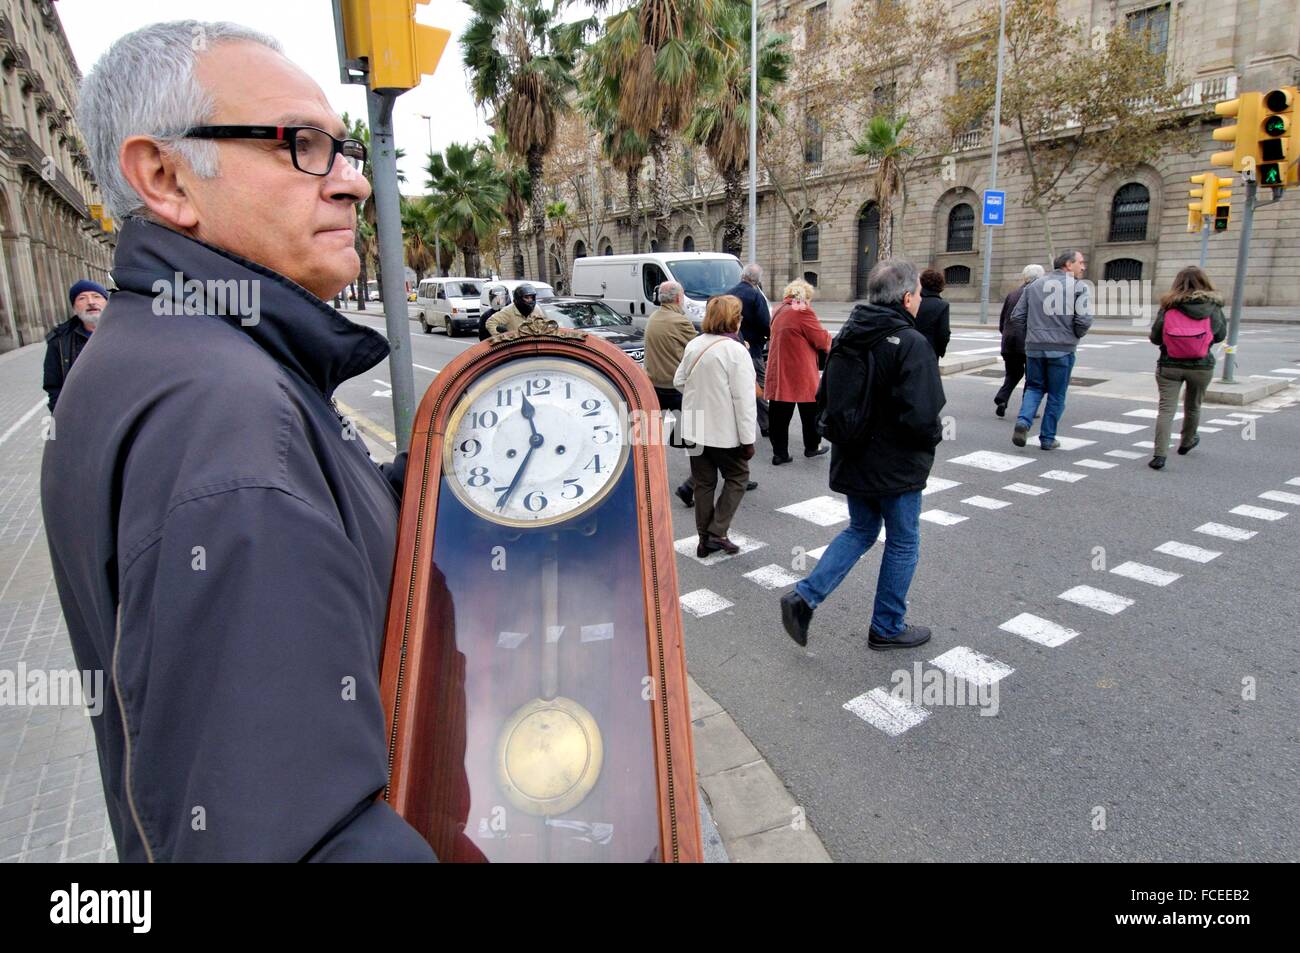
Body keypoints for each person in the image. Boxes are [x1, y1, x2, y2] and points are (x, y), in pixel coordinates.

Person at [41, 21, 434, 862]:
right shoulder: (224, 412)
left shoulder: (171, 354)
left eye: (346, 149)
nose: (354, 185)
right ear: (165, 177)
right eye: (303, 145)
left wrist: (452, 478)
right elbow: (293, 833)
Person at [780, 259, 945, 651]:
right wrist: (930, 441)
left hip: (853, 454)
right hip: (896, 464)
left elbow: (826, 397)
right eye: (919, 294)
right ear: (907, 298)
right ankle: (887, 626)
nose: (920, 301)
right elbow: (922, 415)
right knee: (903, 541)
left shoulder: (849, 335)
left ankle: (804, 596)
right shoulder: (911, 343)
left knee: (861, 529)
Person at [673, 295, 756, 557]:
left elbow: (679, 380)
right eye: (739, 315)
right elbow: (743, 400)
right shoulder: (736, 351)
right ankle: (717, 532)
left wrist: (701, 394)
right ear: (733, 319)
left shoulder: (695, 344)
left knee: (703, 483)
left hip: (694, 425)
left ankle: (704, 539)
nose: (741, 319)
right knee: (738, 476)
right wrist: (748, 440)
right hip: (722, 430)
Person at [1009, 249, 1091, 450]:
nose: (1083, 266)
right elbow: (1084, 320)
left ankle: (1023, 421)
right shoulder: (1079, 287)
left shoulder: (1034, 285)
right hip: (1062, 349)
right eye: (1080, 262)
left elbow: (1016, 317)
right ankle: (1047, 438)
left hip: (1034, 347)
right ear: (1068, 265)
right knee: (1056, 394)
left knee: (1034, 387)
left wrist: (1032, 334)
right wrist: (1074, 335)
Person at [1147, 266, 1227, 471]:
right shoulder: (1213, 306)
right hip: (1201, 365)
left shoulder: (1169, 306)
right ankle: (1187, 441)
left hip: (1169, 364)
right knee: (1193, 406)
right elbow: (1219, 335)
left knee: (1166, 409)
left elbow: (1156, 337)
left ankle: (1160, 455)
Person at [643, 279, 698, 507]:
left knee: (649, 439)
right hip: (676, 387)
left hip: (654, 385)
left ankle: (647, 483)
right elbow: (697, 348)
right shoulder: (680, 321)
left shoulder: (653, 318)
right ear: (677, 298)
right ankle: (693, 484)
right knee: (698, 440)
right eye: (683, 296)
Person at [766, 278, 830, 465]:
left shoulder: (779, 309)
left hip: (779, 366)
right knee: (810, 409)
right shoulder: (801, 309)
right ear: (805, 296)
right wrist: (828, 338)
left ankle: (780, 453)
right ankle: (812, 447)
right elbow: (820, 339)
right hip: (799, 368)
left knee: (779, 413)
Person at [43, 280, 108, 411]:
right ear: (74, 307)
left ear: (107, 303)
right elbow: (54, 386)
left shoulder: (126, 333)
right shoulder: (60, 341)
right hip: (81, 414)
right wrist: (62, 416)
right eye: (82, 298)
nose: (90, 302)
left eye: (96, 296)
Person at [725, 263, 771, 437]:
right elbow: (765, 323)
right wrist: (767, 338)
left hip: (731, 345)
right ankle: (766, 425)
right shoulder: (755, 295)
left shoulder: (729, 292)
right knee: (758, 388)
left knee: (734, 387)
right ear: (757, 280)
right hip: (752, 350)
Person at [994, 264, 1044, 417]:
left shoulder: (1013, 294)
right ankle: (1028, 408)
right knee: (1032, 377)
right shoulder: (1040, 295)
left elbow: (1003, 320)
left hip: (1009, 341)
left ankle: (1002, 398)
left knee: (1013, 373)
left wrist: (1006, 334)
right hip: (1029, 342)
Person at [913, 268, 951, 360]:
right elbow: (944, 333)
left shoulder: (913, 300)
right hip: (930, 349)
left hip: (911, 346)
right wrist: (941, 351)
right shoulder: (942, 305)